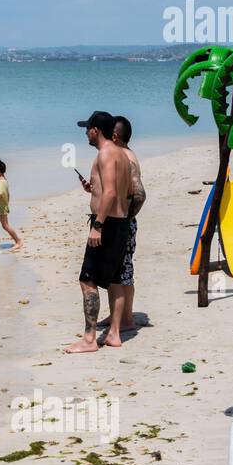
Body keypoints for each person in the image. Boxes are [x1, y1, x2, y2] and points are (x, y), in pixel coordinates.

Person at [66, 112, 132, 353]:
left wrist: (98, 225)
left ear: (96, 130)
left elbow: (112, 193)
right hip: (121, 221)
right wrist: (93, 190)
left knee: (87, 280)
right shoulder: (122, 154)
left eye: (87, 129)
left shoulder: (105, 154)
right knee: (115, 280)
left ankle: (90, 338)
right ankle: (114, 334)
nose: (85, 133)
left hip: (107, 224)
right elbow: (123, 189)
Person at [102, 116, 145, 336]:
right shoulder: (125, 155)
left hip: (123, 223)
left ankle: (126, 319)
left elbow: (139, 194)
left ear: (115, 136)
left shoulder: (126, 157)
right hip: (122, 221)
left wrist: (126, 218)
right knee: (117, 271)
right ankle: (117, 315)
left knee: (123, 271)